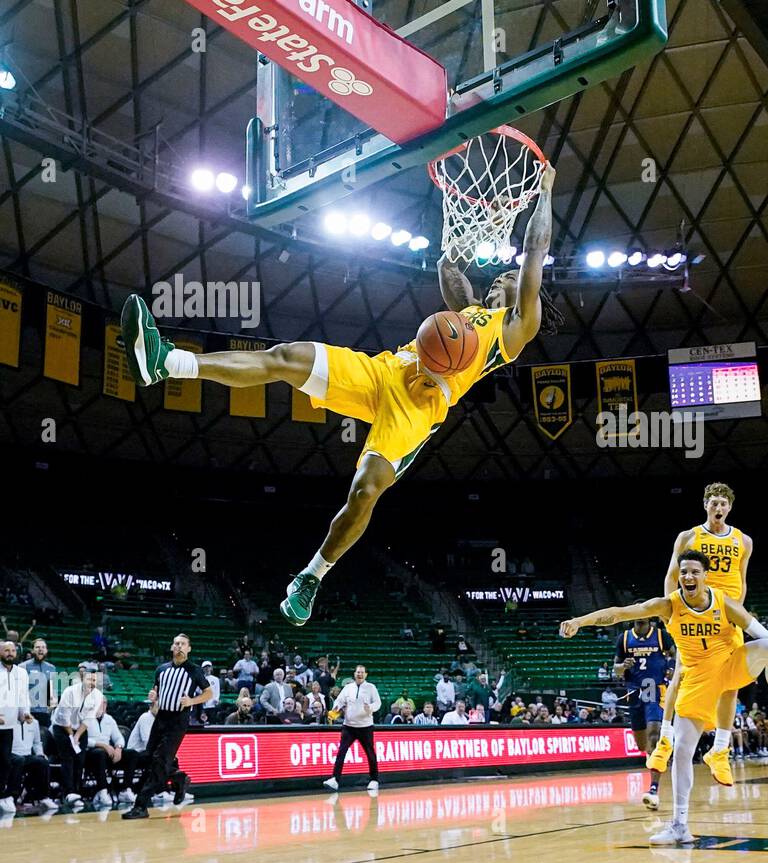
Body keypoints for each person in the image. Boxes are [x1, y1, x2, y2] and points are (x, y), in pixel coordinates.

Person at [118, 163, 560, 627]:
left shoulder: (514, 331)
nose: (505, 277)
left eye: (510, 277)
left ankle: (311, 576)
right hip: (385, 371)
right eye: (503, 275)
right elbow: (450, 270)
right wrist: (455, 243)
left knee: (365, 489)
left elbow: (534, 249)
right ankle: (165, 362)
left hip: (417, 408)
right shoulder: (469, 312)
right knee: (286, 358)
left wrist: (543, 192)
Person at [560, 549, 768, 846]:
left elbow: (766, 635)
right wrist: (580, 621)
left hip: (731, 663)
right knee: (683, 751)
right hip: (699, 678)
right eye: (683, 572)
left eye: (694, 572)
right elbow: (619, 613)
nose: (688, 576)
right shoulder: (668, 606)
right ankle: (679, 826)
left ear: (705, 576)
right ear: (678, 577)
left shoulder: (723, 602)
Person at [648, 482, 755, 785]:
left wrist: (738, 613)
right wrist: (673, 615)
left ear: (730, 507)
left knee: (732, 682)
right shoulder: (689, 536)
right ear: (705, 505)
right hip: (693, 613)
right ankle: (665, 741)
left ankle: (720, 750)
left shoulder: (743, 540)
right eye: (713, 503)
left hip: (726, 617)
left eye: (723, 503)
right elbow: (672, 575)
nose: (718, 508)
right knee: (681, 673)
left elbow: (741, 580)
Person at [123, 634, 213, 819]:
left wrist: (191, 701)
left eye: (183, 644)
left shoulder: (195, 671)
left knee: (160, 760)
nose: (179, 646)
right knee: (149, 757)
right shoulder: (161, 669)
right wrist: (153, 696)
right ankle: (178, 778)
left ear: (189, 649)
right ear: (172, 647)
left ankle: (141, 804)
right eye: (176, 643)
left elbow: (209, 693)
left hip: (178, 720)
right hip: (161, 717)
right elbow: (156, 691)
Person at [614, 617, 674, 808]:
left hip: (654, 689)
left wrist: (671, 668)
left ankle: (653, 789)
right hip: (634, 691)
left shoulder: (660, 635)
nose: (640, 621)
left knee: (654, 735)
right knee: (642, 744)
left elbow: (676, 655)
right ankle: (653, 759)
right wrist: (623, 666)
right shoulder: (623, 639)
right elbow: (616, 669)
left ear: (649, 618)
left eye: (643, 618)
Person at [323, 664, 382, 794]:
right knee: (341, 752)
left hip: (365, 726)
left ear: (366, 674)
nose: (359, 674)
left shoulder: (371, 688)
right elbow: (339, 701)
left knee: (370, 753)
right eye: (357, 672)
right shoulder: (348, 688)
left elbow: (378, 703)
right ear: (354, 674)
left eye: (362, 672)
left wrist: (370, 708)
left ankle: (374, 780)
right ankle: (335, 779)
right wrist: (336, 708)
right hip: (348, 726)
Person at [51, 667, 104, 810]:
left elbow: (88, 719)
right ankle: (67, 793)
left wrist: (77, 736)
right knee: (68, 758)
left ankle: (77, 792)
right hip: (62, 727)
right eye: (89, 679)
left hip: (80, 728)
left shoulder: (98, 695)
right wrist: (71, 736)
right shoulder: (70, 692)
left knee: (80, 759)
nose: (92, 683)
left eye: (95, 680)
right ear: (82, 678)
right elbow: (63, 718)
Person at [0, 640, 33, 814]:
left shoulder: (22, 673)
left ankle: (5, 796)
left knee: (5, 763)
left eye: (13, 650)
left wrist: (25, 713)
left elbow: (23, 697)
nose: (10, 653)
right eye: (6, 650)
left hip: (9, 726)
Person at [8, 714, 57, 811]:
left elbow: (37, 743)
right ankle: (12, 798)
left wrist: (40, 754)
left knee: (42, 762)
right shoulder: (9, 722)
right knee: (19, 761)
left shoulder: (34, 723)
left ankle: (43, 797)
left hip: (27, 755)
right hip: (11, 754)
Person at [20, 638, 56, 727]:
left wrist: (50, 707)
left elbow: (52, 690)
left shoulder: (51, 668)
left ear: (46, 650)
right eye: (38, 647)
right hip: (28, 712)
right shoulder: (22, 667)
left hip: (45, 713)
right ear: (32, 650)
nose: (41, 649)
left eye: (43, 647)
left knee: (44, 739)